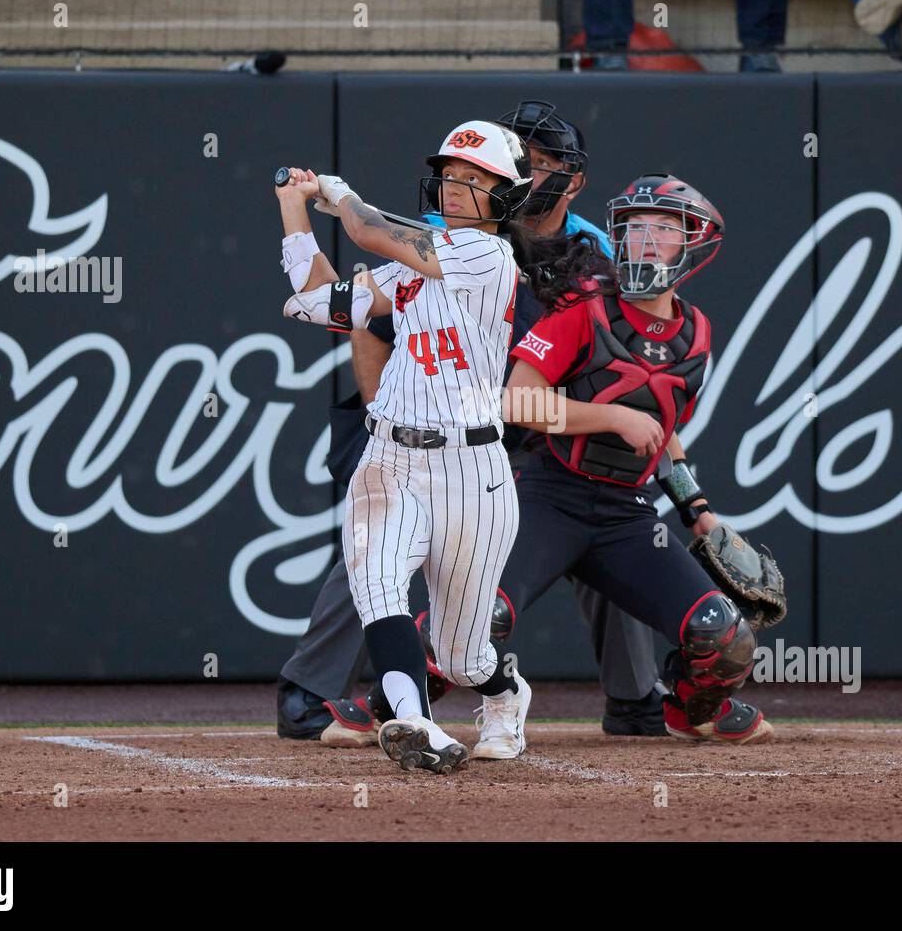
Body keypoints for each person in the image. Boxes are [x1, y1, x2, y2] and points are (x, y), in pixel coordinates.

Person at [280, 102, 669, 749]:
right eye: (450, 173)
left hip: (472, 467)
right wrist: (294, 209)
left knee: (463, 654)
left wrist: (336, 193)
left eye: (474, 178)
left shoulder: (487, 257)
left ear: (504, 195)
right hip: (394, 459)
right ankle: (412, 718)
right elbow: (317, 303)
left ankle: (503, 691)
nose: (456, 187)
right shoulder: (418, 261)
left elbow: (372, 230)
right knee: (377, 586)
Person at [495, 173, 774, 745]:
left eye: (664, 228)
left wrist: (699, 511)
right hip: (549, 494)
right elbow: (516, 400)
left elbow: (664, 435)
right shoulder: (584, 307)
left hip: (627, 514)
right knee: (481, 618)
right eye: (635, 226)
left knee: (726, 640)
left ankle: (691, 712)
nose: (646, 238)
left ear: (693, 244)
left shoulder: (696, 332)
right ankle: (384, 705)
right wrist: (612, 418)